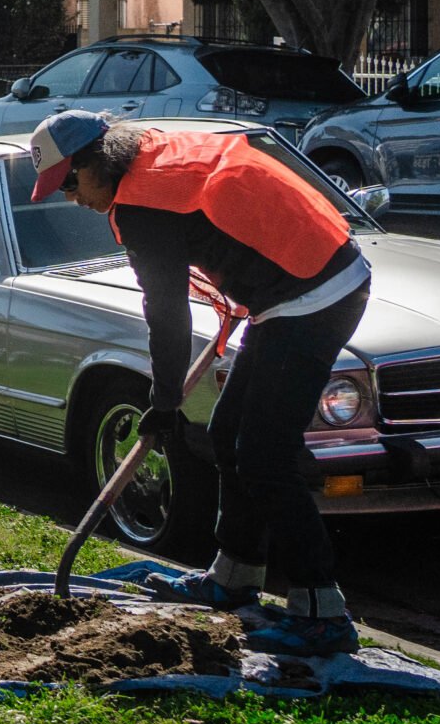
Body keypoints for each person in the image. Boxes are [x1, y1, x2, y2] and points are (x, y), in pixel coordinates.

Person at [31, 111, 372, 657]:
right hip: (302, 284)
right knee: (226, 433)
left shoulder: (143, 202)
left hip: (312, 296)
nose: (71, 198)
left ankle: (322, 611)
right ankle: (234, 576)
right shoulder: (151, 154)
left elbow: (165, 315)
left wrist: (163, 402)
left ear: (98, 161)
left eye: (70, 182)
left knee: (265, 456)